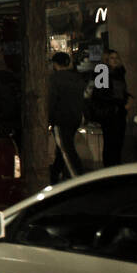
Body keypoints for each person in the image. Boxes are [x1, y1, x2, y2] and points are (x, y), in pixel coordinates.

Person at [87, 48, 133, 167]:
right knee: (110, 143)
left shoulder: (119, 73)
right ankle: (110, 168)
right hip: (109, 113)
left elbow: (121, 91)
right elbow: (99, 95)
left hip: (119, 113)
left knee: (118, 143)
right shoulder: (102, 73)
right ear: (106, 60)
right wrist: (120, 104)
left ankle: (116, 167)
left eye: (116, 58)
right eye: (112, 58)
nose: (115, 60)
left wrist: (128, 99)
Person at [48, 52, 86, 181]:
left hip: (61, 119)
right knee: (63, 148)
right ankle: (54, 175)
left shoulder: (54, 79)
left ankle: (78, 178)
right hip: (75, 117)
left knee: (66, 150)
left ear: (55, 64)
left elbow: (51, 101)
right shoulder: (77, 78)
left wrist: (49, 119)